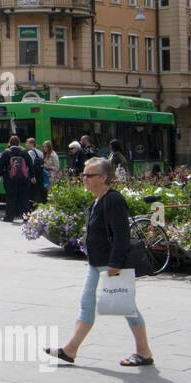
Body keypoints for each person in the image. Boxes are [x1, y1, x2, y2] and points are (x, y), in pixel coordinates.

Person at [45, 157, 154, 368]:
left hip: (110, 265)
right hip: (97, 264)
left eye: (88, 175)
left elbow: (122, 235)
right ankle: (70, 350)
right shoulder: (97, 200)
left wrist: (115, 264)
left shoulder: (113, 200)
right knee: (87, 304)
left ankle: (144, 352)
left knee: (126, 307)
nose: (84, 178)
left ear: (103, 178)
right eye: (83, 174)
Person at [0, 135, 31, 222]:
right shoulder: (24, 152)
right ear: (19, 143)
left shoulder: (5, 153)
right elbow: (30, 164)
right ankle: (26, 217)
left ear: (9, 143)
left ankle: (9, 217)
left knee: (10, 197)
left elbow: (0, 165)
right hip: (23, 178)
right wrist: (33, 176)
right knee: (24, 197)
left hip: (10, 179)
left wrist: (1, 175)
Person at [25, 137, 46, 204]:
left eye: (27, 143)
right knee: (39, 190)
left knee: (33, 191)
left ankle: (33, 205)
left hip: (34, 174)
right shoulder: (40, 152)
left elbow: (29, 164)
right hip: (40, 174)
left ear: (31, 144)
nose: (26, 145)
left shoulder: (31, 152)